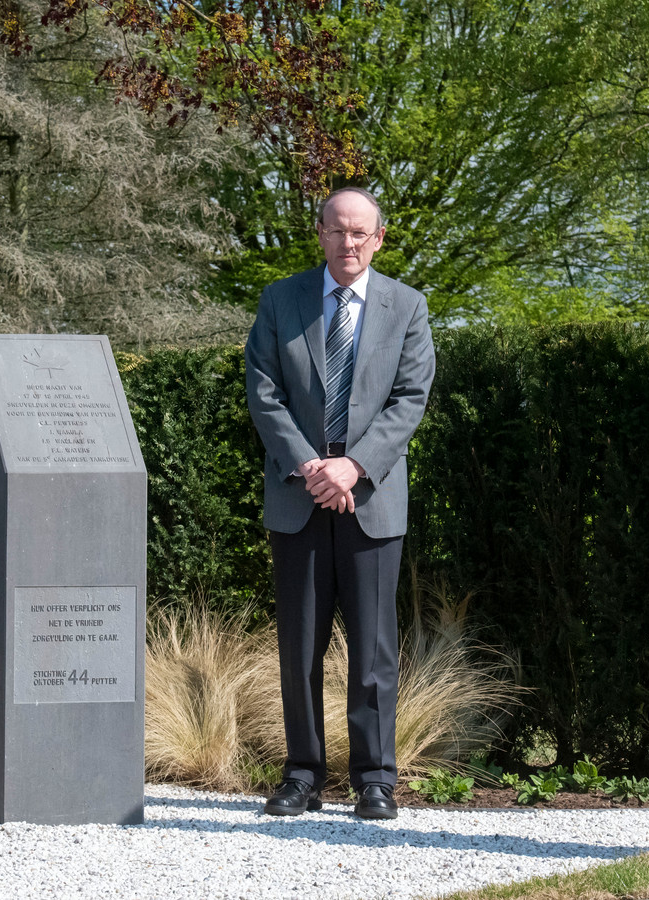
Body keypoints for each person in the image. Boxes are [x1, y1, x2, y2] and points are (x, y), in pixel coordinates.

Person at [245, 187, 435, 820]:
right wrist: (310, 466)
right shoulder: (281, 300)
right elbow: (263, 392)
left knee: (374, 647)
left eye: (360, 233)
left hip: (370, 497)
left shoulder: (406, 306)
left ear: (379, 237)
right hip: (299, 494)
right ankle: (302, 774)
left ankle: (375, 779)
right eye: (337, 231)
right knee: (300, 644)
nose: (348, 243)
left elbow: (410, 398)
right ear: (319, 233)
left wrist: (352, 467)